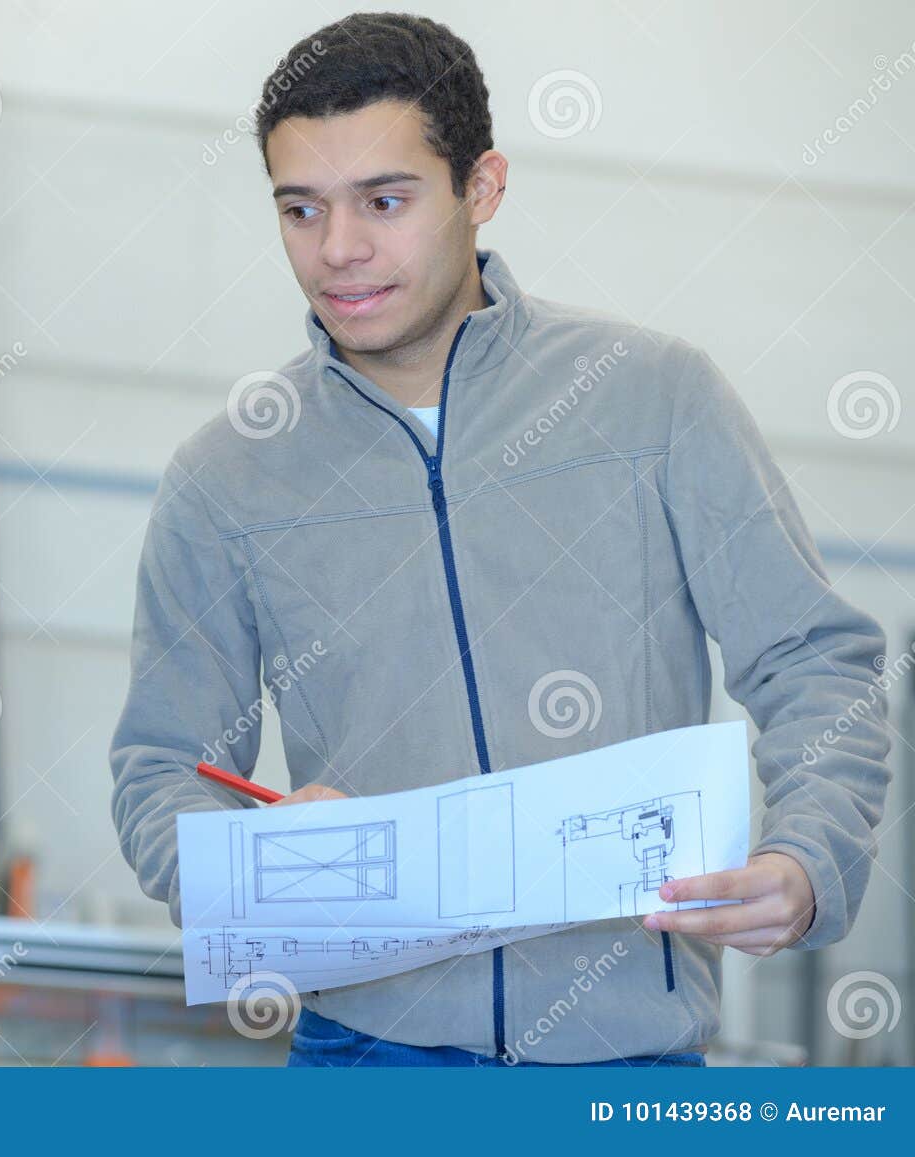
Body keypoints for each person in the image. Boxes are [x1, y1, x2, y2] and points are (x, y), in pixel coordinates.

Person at [110, 12, 891, 1066]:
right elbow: (167, 762)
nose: (337, 250)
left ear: (480, 187)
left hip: (628, 1058)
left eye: (383, 202)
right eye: (301, 209)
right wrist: (243, 857)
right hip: (362, 1058)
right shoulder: (228, 475)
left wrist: (807, 854)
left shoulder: (652, 401)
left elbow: (814, 659)